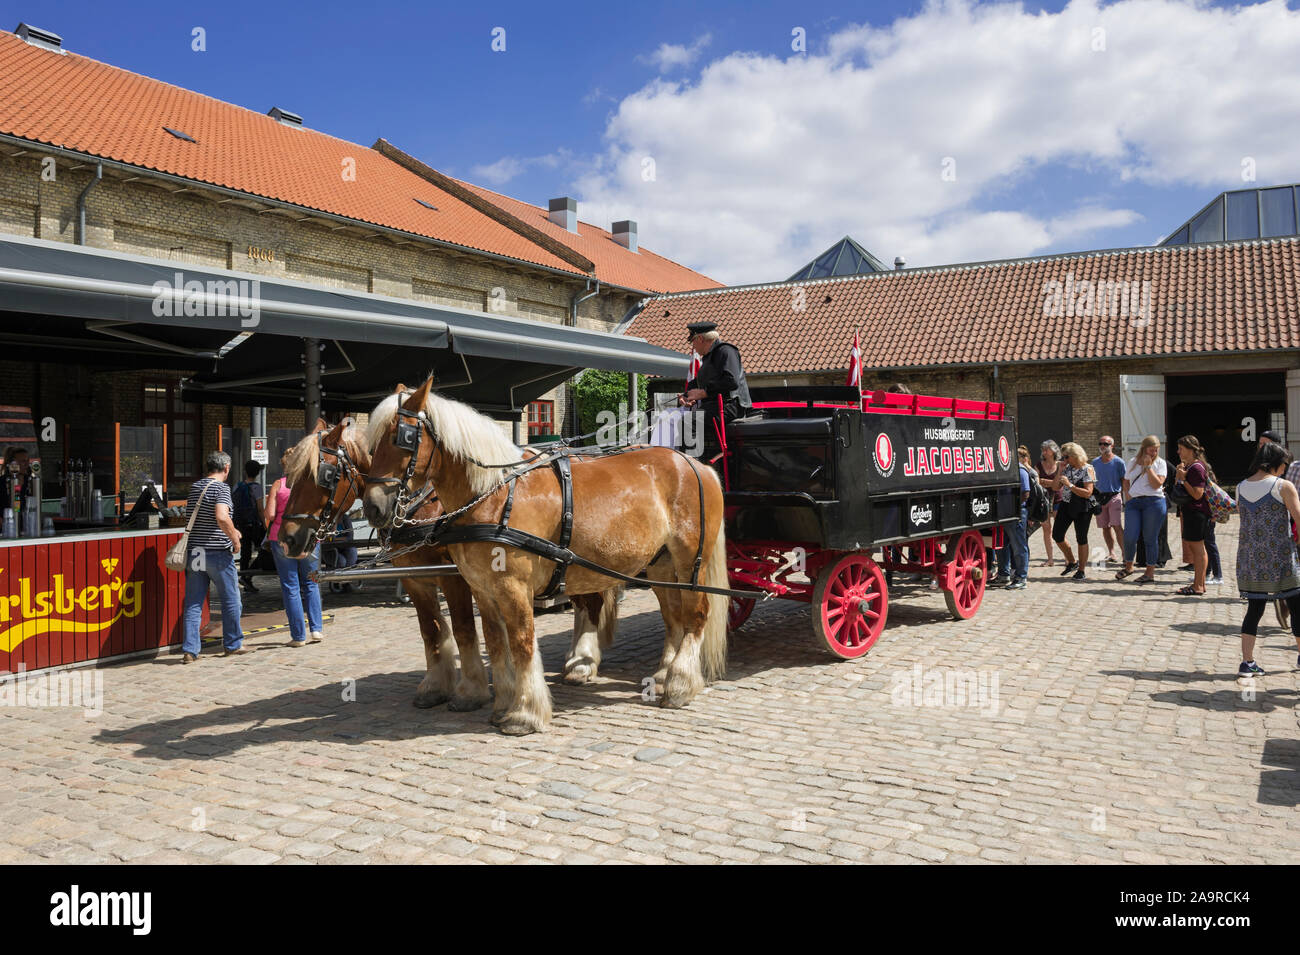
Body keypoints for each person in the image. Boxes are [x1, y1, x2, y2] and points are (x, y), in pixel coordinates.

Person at [1234, 442, 1300, 676]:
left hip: (1251, 559)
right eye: (1284, 464)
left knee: (1254, 609)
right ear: (1276, 463)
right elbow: (1298, 520)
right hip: (1281, 557)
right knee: (1297, 606)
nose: (1285, 469)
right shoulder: (1283, 486)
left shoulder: (1240, 487)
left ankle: (1247, 662)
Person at [180, 451, 246, 662]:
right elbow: (221, 517)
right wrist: (235, 538)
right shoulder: (222, 488)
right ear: (226, 468)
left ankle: (190, 650)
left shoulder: (195, 487)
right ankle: (233, 644)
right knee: (231, 599)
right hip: (217, 552)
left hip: (195, 552)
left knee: (193, 602)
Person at [264, 453, 324, 647]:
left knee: (291, 586)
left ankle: (298, 636)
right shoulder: (310, 484)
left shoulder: (278, 485)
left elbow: (270, 514)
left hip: (282, 538)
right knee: (312, 582)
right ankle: (316, 629)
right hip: (308, 537)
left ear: (283, 466)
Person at [678, 321, 753, 458]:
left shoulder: (726, 351)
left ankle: (692, 467)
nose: (693, 347)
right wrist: (686, 395)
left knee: (688, 422)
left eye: (693, 342)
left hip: (731, 405)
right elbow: (698, 381)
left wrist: (704, 392)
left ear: (700, 339)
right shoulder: (709, 358)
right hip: (716, 405)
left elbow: (731, 381)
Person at [1116, 435, 1168, 584]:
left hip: (1154, 502)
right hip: (1134, 503)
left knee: (1150, 538)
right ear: (1144, 449)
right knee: (1130, 536)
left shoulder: (1160, 463)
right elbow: (1125, 480)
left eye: (1156, 450)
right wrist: (1128, 496)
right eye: (1151, 450)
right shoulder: (1132, 462)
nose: (1154, 453)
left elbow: (1156, 484)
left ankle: (1149, 573)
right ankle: (1129, 566)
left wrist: (1148, 467)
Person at [1172, 435, 1213, 596]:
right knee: (1197, 549)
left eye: (1181, 449)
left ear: (1190, 450)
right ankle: (1199, 584)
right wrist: (1180, 475)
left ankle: (1198, 585)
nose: (1178, 452)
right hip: (1191, 512)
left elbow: (1197, 494)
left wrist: (1183, 479)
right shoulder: (1189, 466)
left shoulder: (1196, 468)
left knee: (1198, 550)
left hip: (1197, 513)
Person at [1051, 442, 1096, 580]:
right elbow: (1054, 487)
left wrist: (1070, 485)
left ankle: (1081, 570)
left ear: (1074, 456)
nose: (1064, 460)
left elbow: (1088, 493)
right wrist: (1059, 470)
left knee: (1081, 538)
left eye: (1066, 457)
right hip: (1066, 504)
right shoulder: (1066, 468)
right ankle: (1072, 561)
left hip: (1082, 507)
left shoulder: (1088, 469)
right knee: (1057, 535)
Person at [997, 447, 1033, 589]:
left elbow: (1026, 493)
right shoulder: (1002, 470)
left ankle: (1021, 577)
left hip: (1016, 513)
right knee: (1002, 545)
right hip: (1004, 514)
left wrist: (1013, 506)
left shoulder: (1020, 470)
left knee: (1018, 546)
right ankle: (1003, 574)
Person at [232, 460, 266, 593]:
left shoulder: (237, 486)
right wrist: (265, 525)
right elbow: (260, 509)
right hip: (254, 525)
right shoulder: (256, 487)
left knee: (245, 552)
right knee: (264, 550)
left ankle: (245, 577)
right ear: (257, 473)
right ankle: (248, 576)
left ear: (245, 471)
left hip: (240, 525)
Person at [1091, 435, 1126, 562]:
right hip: (1100, 498)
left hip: (1114, 497)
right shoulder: (1094, 462)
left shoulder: (1119, 462)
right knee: (1105, 527)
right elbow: (1091, 481)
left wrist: (1126, 498)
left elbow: (1124, 481)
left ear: (1112, 445)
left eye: (1105, 444)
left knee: (1117, 525)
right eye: (1100, 443)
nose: (1102, 446)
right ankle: (1112, 553)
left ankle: (1125, 554)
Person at [1037, 440, 1063, 567]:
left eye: (1046, 449)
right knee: (1046, 529)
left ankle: (1067, 558)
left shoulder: (1060, 465)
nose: (1044, 451)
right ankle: (1050, 559)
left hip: (1058, 500)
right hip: (1043, 500)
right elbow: (1037, 482)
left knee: (1060, 530)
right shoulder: (1039, 465)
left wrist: (1047, 482)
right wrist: (1053, 482)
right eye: (1043, 449)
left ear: (1053, 451)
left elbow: (1058, 485)